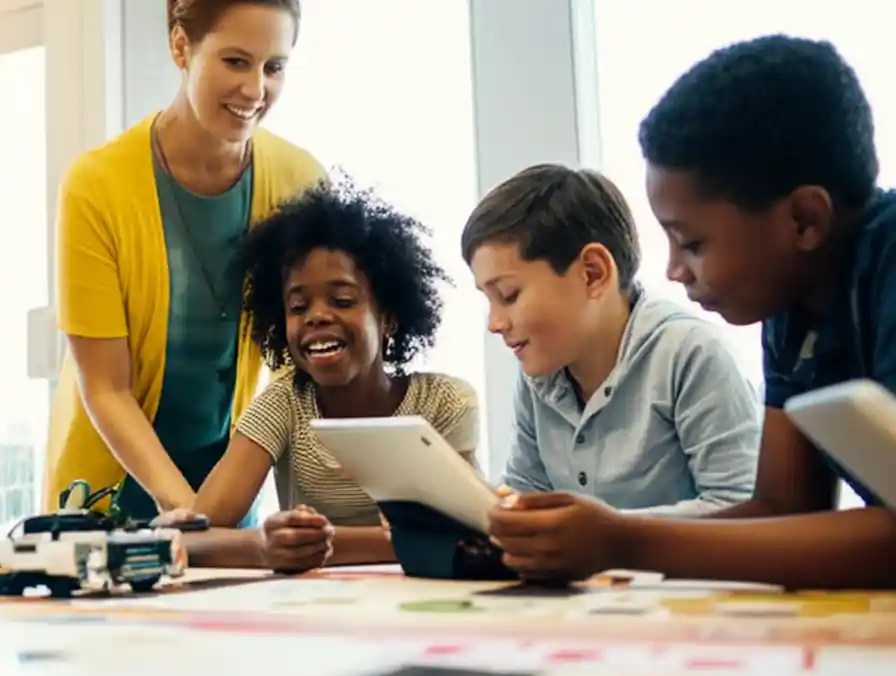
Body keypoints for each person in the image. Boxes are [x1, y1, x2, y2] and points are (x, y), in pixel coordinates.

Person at [486, 34, 896, 589]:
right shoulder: (793, 302)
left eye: (693, 243)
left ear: (803, 220)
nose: (674, 270)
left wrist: (626, 541)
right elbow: (781, 510)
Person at [46, 0, 323, 524]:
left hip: (228, 485)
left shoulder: (301, 181)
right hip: (106, 492)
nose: (255, 89)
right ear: (180, 46)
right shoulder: (95, 185)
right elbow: (105, 386)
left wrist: (221, 510)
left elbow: (301, 366)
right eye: (235, 61)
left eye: (274, 66)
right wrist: (190, 512)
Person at [167, 177, 478, 573]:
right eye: (297, 307)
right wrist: (264, 547)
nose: (316, 315)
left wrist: (326, 546)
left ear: (389, 319)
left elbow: (471, 535)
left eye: (343, 300)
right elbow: (195, 535)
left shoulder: (445, 404)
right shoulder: (284, 403)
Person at [463, 163, 759, 516]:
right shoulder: (540, 376)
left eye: (509, 295)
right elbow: (529, 502)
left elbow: (739, 507)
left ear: (593, 273)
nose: (495, 324)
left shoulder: (690, 353)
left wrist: (603, 535)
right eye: (489, 299)